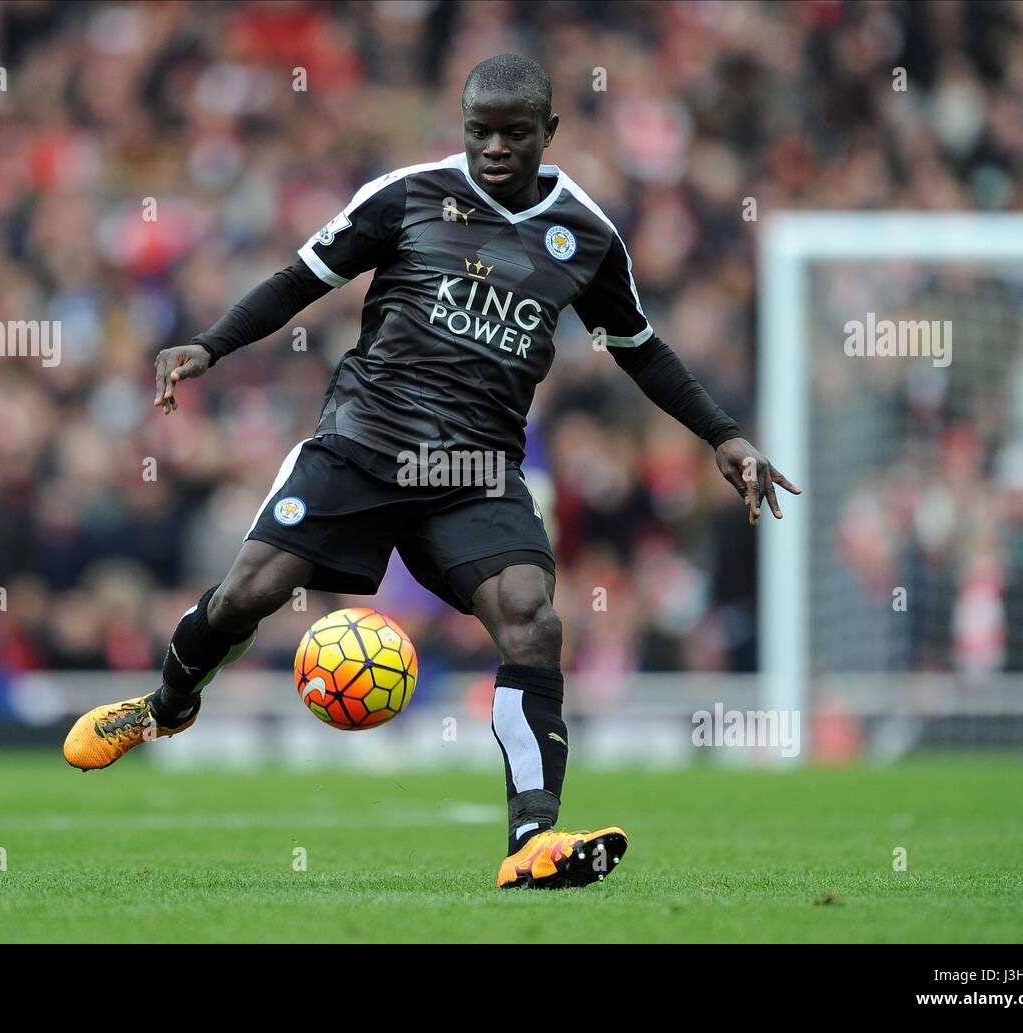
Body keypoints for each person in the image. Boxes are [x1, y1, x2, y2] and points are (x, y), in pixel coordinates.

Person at [63, 53, 800, 889]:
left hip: (476, 470)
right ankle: (163, 706)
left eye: (513, 134)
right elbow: (299, 279)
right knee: (248, 594)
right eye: (479, 130)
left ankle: (532, 839)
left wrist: (724, 435)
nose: (493, 148)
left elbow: (640, 348)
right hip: (361, 443)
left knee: (534, 622)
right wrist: (210, 344)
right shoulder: (406, 195)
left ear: (549, 133)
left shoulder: (585, 234)